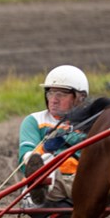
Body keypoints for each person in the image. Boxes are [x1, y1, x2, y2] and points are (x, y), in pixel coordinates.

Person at [18, 64, 89, 205]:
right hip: (50, 181)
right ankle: (39, 187)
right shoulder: (35, 121)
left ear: (80, 98)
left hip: (83, 180)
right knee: (45, 173)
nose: (54, 99)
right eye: (50, 93)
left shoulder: (91, 123)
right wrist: (42, 155)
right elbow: (25, 159)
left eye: (61, 94)